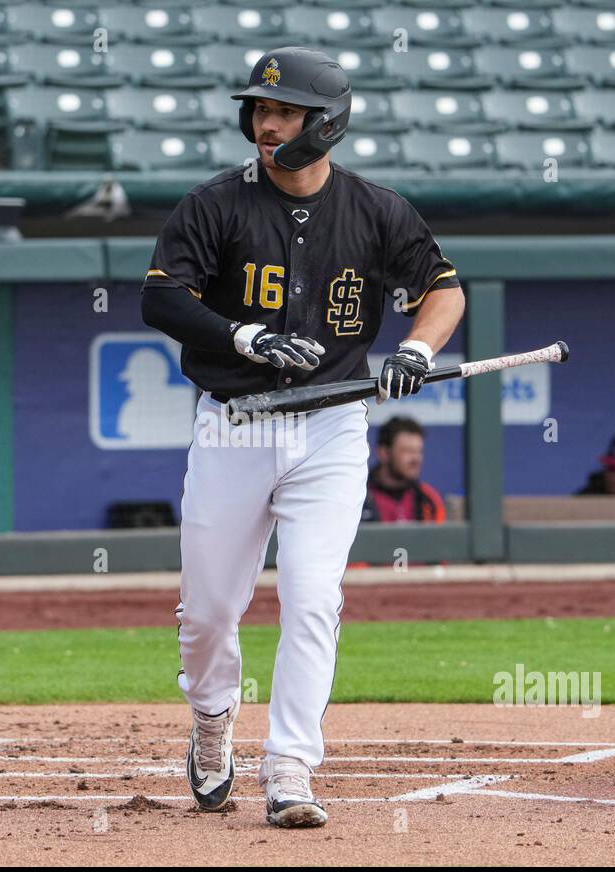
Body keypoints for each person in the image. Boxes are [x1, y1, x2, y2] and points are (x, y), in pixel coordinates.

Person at [141, 47, 464, 828]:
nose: (265, 124)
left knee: (314, 597)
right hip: (234, 423)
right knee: (210, 612)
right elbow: (161, 300)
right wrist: (244, 337)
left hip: (331, 428)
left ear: (327, 123)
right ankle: (213, 716)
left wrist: (417, 351)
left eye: (282, 113)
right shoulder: (216, 204)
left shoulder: (378, 209)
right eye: (259, 110)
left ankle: (291, 766)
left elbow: (443, 291)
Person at [363, 417, 446, 522]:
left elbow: (439, 537)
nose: (416, 459)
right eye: (407, 451)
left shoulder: (429, 500)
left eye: (419, 451)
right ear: (384, 453)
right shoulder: (359, 495)